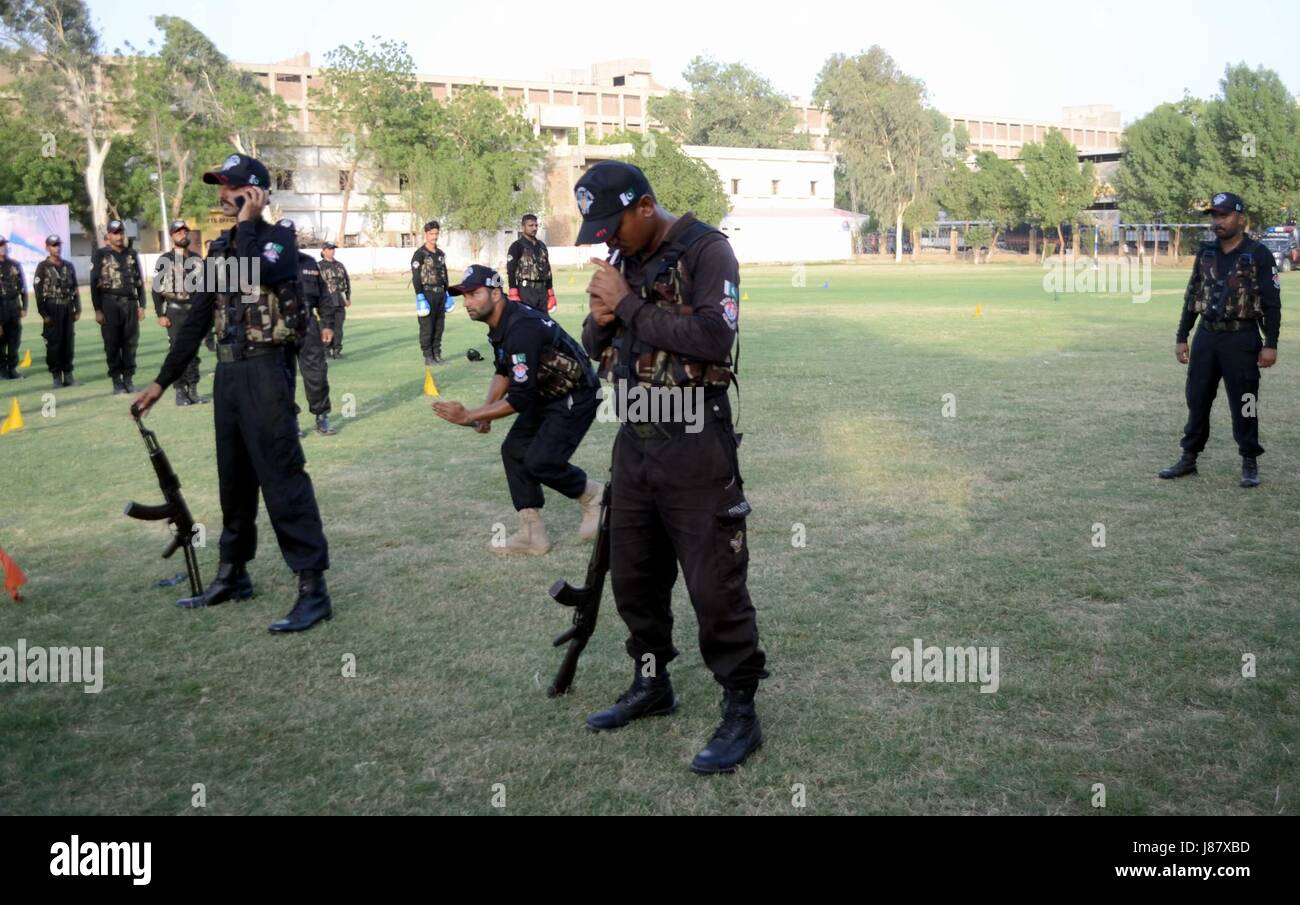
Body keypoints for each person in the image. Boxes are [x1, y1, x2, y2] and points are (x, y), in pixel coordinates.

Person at [576, 160, 767, 774]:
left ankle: (740, 710)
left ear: (645, 206)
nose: (609, 239)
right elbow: (593, 342)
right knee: (634, 578)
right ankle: (652, 683)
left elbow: (714, 338)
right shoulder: (624, 261)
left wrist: (626, 304)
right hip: (633, 437)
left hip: (693, 439)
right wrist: (600, 320)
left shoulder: (709, 252)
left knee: (715, 584)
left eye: (614, 224)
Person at [131, 153, 332, 634]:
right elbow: (198, 318)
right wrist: (162, 381)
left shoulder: (278, 243)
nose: (222, 195)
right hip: (228, 377)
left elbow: (255, 272)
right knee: (234, 480)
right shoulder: (219, 250)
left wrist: (248, 221)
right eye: (221, 187)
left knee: (282, 478)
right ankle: (233, 573)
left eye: (232, 187)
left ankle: (313, 590)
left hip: (266, 374)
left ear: (256, 192)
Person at [431, 264, 602, 554]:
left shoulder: (522, 328)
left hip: (577, 394)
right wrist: (485, 412)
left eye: (474, 294)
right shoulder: (501, 323)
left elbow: (520, 398)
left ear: (496, 294)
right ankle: (531, 533)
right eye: (464, 296)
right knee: (514, 451)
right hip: (546, 393)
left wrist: (470, 415)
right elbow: (504, 370)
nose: (467, 302)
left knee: (540, 461)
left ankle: (595, 497)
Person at [1159, 192, 1281, 488]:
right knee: (1197, 398)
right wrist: (1181, 336)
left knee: (1245, 402)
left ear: (1240, 217)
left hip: (1242, 337)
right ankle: (1189, 458)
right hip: (1206, 336)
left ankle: (1249, 461)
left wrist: (1270, 343)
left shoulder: (1259, 254)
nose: (1218, 221)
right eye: (1215, 215)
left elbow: (1271, 303)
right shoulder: (1206, 253)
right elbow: (1192, 295)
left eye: (1224, 215)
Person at [151, 220, 208, 406]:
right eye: (178, 232)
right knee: (177, 352)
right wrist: (161, 314)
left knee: (193, 352)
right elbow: (156, 289)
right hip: (174, 312)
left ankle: (193, 390)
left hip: (194, 312)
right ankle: (179, 391)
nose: (182, 235)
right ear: (172, 236)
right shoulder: (165, 260)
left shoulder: (197, 259)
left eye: (185, 232)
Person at [90, 219, 146, 394]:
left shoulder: (132, 254)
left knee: (130, 343)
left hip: (130, 303)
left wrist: (141, 305)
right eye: (115, 233)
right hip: (109, 303)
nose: (119, 236)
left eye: (121, 232)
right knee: (112, 343)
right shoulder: (100, 254)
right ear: (109, 235)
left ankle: (129, 378)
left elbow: (139, 281)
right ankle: (117, 381)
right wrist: (98, 309)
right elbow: (93, 283)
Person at [294, 249, 338, 436]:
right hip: (277, 324)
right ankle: (289, 420)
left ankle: (322, 416)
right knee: (279, 377)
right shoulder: (267, 261)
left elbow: (324, 297)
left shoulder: (309, 263)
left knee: (317, 373)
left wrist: (327, 325)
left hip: (307, 323)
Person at [33, 236, 80, 387]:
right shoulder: (42, 267)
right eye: (53, 245)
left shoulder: (68, 266)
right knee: (54, 343)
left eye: (58, 245)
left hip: (67, 308)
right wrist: (44, 314)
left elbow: (75, 289)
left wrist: (77, 308)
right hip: (52, 308)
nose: (57, 248)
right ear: (47, 247)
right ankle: (56, 376)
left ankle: (68, 375)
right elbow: (38, 292)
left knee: (68, 342)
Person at [411, 220, 449, 366]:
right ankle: (428, 355)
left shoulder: (440, 254)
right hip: (427, 293)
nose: (434, 236)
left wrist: (447, 293)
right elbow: (416, 277)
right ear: (426, 234)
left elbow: (444, 274)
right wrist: (419, 295)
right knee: (427, 326)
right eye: (431, 233)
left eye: (436, 233)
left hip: (440, 294)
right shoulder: (419, 254)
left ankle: (437, 353)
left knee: (439, 326)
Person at [505, 213, 555, 313]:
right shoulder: (516, 246)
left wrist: (550, 292)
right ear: (523, 227)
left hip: (542, 290)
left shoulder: (542, 246)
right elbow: (511, 270)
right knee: (528, 323)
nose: (534, 228)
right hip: (525, 291)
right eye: (531, 225)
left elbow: (547, 269)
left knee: (543, 322)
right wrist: (513, 290)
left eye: (536, 225)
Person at [0, 237, 28, 380]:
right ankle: (2, 371)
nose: (3, 247)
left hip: (14, 306)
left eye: (4, 244)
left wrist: (24, 306)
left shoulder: (15, 265)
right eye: (0, 245)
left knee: (14, 340)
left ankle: (12, 369)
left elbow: (23, 287)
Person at [318, 242, 350, 359]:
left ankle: (337, 349)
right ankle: (326, 350)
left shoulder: (339, 265)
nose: (332, 251)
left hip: (339, 299)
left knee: (338, 327)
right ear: (323, 251)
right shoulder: (319, 266)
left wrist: (348, 297)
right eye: (330, 249)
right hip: (325, 300)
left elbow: (346, 281)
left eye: (333, 249)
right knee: (326, 326)